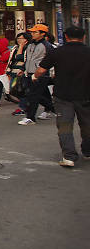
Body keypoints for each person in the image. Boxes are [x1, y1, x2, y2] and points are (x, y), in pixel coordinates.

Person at [34, 24, 90, 167]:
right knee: (87, 124)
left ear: (66, 37)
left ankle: (69, 156)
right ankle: (88, 151)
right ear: (83, 37)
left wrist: (35, 76)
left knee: (65, 126)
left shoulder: (57, 52)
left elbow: (41, 70)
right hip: (86, 94)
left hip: (63, 95)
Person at [20, 23, 57, 124]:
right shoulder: (30, 44)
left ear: (42, 34)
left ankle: (30, 117)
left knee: (33, 96)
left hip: (41, 74)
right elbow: (27, 59)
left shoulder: (47, 46)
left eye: (35, 32)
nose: (32, 34)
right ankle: (55, 109)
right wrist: (23, 69)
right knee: (41, 96)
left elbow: (52, 60)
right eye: (32, 32)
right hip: (29, 73)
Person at [7, 32, 30, 110]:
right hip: (14, 71)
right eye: (18, 38)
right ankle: (24, 106)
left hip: (22, 72)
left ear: (26, 40)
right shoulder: (15, 48)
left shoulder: (28, 48)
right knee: (13, 89)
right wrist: (8, 70)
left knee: (21, 90)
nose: (19, 40)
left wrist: (21, 46)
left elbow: (19, 57)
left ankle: (23, 107)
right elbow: (12, 59)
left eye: (21, 38)